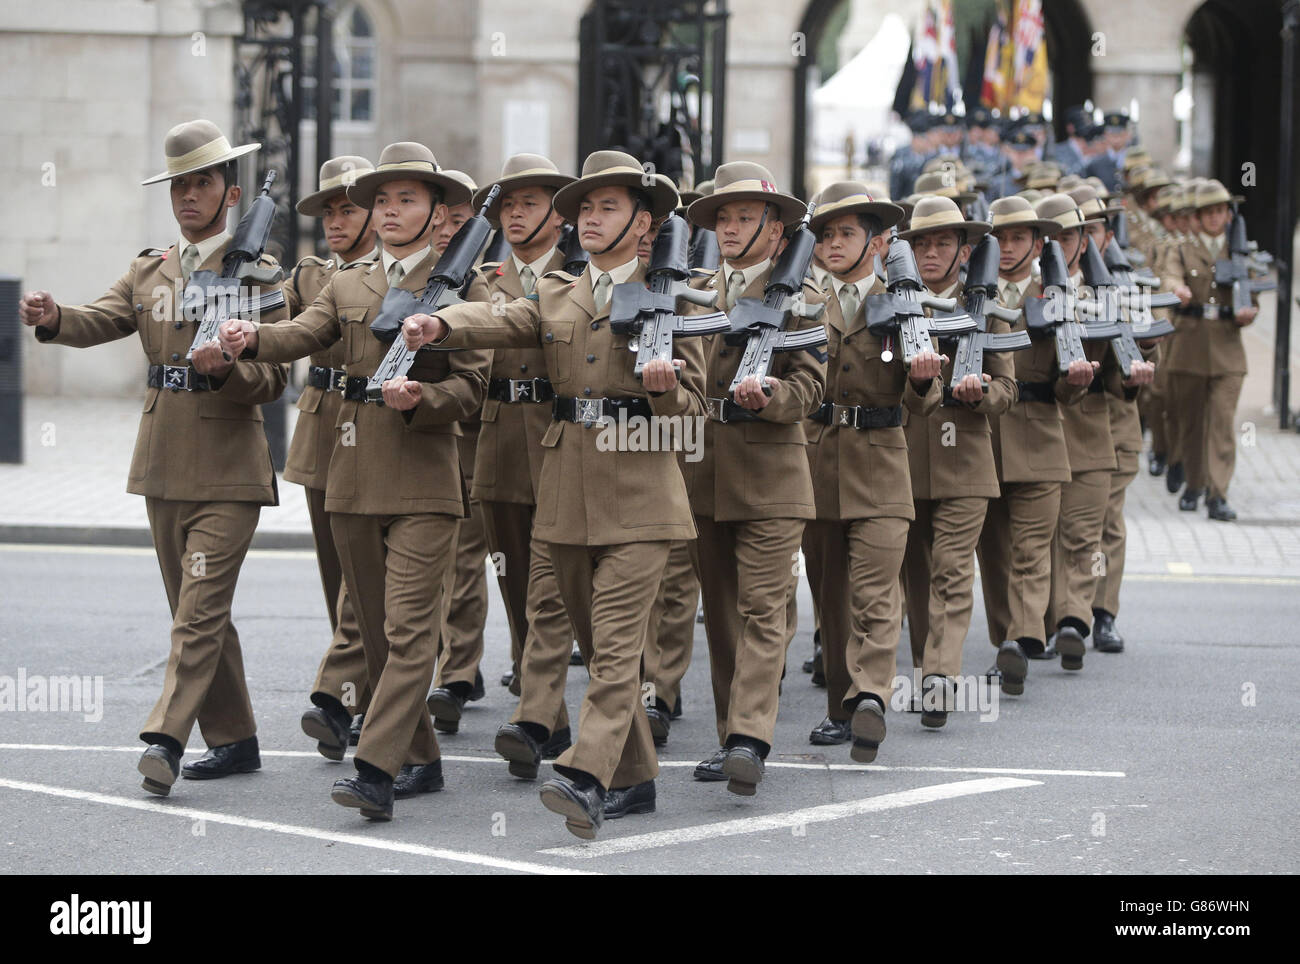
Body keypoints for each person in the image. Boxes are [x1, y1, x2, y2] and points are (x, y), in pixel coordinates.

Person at [400, 150, 700, 839]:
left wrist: (665, 391)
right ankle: (637, 778)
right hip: (566, 495)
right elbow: (502, 320)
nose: (590, 220)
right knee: (600, 653)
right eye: (584, 210)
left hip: (644, 500)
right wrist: (441, 324)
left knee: (619, 652)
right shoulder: (558, 294)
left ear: (643, 222)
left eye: (608, 208)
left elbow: (694, 418)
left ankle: (585, 773)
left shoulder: (675, 299)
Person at [219, 141, 491, 820]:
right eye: (385, 200)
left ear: (436, 212)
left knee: (407, 633)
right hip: (352, 480)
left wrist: (420, 402)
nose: (393, 211)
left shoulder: (464, 287)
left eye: (408, 199)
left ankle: (376, 766)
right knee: (374, 636)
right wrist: (248, 338)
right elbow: (303, 333)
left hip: (426, 479)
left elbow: (473, 387)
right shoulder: (346, 282)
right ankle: (422, 759)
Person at [19, 119, 288, 796]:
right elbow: (99, 320)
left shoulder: (259, 271)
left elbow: (276, 378)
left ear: (231, 194)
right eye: (179, 185)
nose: (188, 196)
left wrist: (228, 365)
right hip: (164, 462)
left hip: (230, 465)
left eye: (202, 183)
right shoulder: (150, 268)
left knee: (197, 611)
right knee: (196, 610)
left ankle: (165, 735)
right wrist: (53, 317)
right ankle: (236, 739)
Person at [682, 161, 826, 795]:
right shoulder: (688, 290)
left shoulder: (802, 296)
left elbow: (813, 385)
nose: (731, 227)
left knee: (764, 610)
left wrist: (773, 393)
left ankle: (749, 736)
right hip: (703, 471)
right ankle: (728, 733)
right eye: (723, 217)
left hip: (771, 472)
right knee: (720, 615)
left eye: (745, 216)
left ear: (777, 229)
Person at [799, 181, 941, 757]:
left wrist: (926, 375)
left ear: (879, 243)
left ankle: (872, 696)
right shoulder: (802, 300)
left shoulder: (904, 300)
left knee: (877, 592)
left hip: (882, 460)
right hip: (816, 462)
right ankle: (841, 705)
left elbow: (922, 402)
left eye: (847, 234)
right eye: (826, 234)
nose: (834, 244)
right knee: (828, 592)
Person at [463, 154, 579, 778]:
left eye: (527, 204)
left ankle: (531, 718)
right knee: (515, 591)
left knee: (550, 594)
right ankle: (552, 721)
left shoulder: (580, 275)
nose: (513, 215)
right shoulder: (483, 278)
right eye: (506, 205)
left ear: (558, 213)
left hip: (559, 443)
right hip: (500, 445)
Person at [896, 196, 1014, 727]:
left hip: (965, 459)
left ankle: (941, 676)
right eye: (921, 242)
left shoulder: (983, 304)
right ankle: (927, 668)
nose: (931, 252)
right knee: (915, 577)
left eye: (943, 242)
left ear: (963, 250)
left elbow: (1008, 389)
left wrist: (981, 391)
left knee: (951, 569)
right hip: (905, 459)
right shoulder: (894, 302)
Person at [976, 196, 1096, 694]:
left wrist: (1078, 379)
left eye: (1018, 239)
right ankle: (1008, 639)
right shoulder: (975, 293)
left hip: (1042, 436)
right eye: (1000, 239)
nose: (1008, 249)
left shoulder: (1057, 294)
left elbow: (1069, 385)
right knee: (995, 554)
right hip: (984, 439)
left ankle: (1022, 641)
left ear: (1036, 244)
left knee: (1031, 552)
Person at [288, 155, 380, 759]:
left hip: (375, 430)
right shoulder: (310, 275)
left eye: (348, 208)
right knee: (335, 578)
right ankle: (358, 690)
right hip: (322, 432)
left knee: (361, 584)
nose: (336, 221)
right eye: (329, 211)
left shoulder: (401, 276)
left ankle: (341, 696)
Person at [423, 169, 491, 733]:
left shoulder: (484, 282)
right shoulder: (425, 280)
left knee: (498, 564)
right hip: (451, 439)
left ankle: (464, 669)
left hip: (503, 439)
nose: (445, 230)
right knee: (457, 560)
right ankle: (458, 669)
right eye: (439, 219)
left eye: (458, 221)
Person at [1162, 179, 1262, 521]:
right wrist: (1177, 289)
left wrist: (1249, 312)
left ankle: (1218, 494)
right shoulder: (1182, 249)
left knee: (1221, 423)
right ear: (1198, 216)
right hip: (1189, 345)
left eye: (1220, 211)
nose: (1216, 217)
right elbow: (1170, 276)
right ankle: (1195, 483)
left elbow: (1251, 294)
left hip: (1227, 347)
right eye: (1209, 212)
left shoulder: (1239, 250)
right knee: (1192, 423)